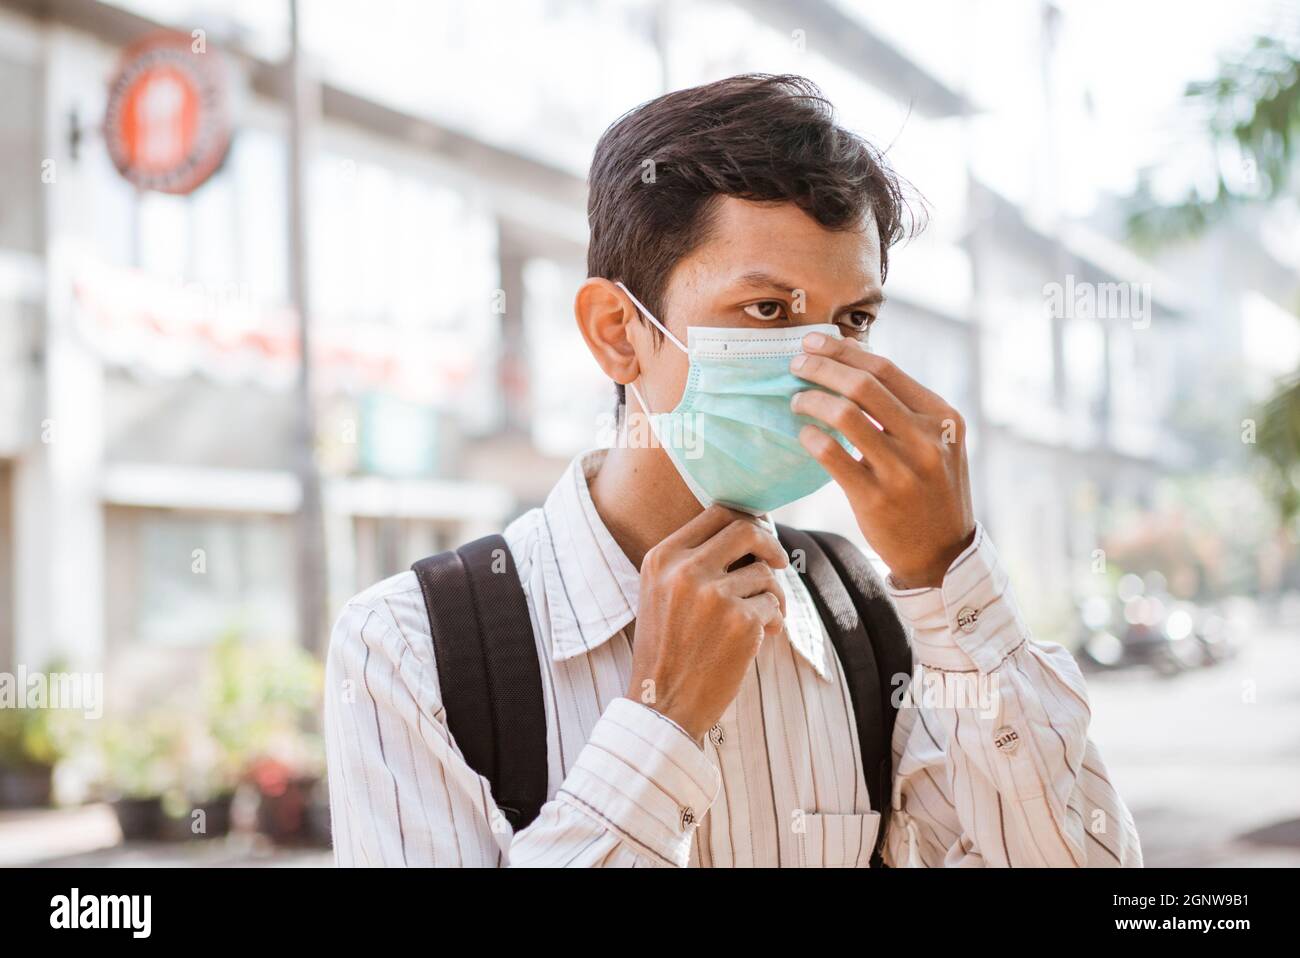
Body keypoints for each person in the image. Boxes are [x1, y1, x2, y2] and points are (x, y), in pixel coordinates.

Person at [323, 73, 1142, 868]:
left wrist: (951, 574)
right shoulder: (410, 649)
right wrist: (661, 722)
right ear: (618, 332)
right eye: (767, 310)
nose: (823, 363)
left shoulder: (868, 622)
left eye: (851, 320)